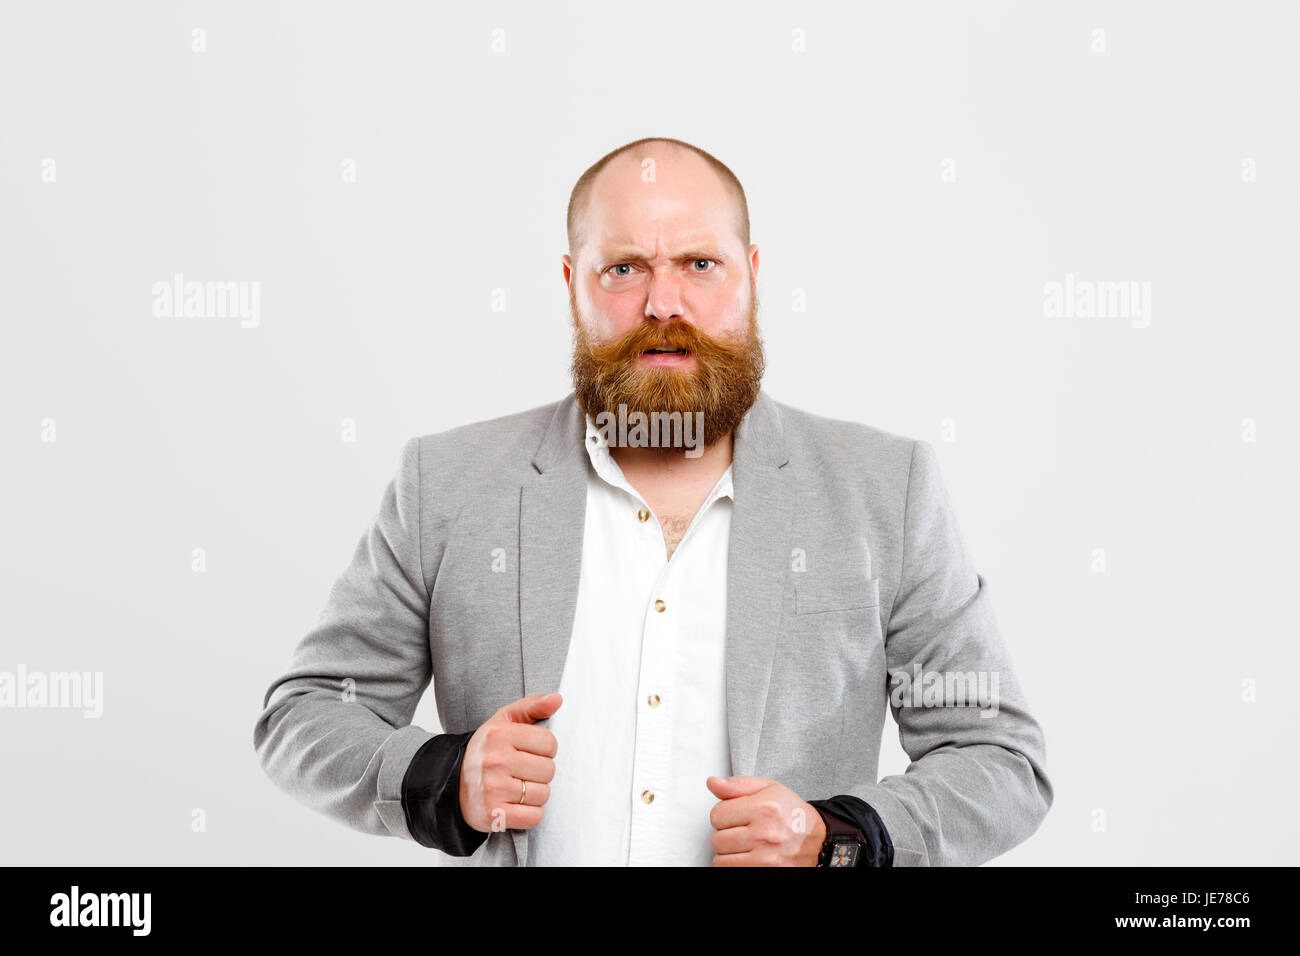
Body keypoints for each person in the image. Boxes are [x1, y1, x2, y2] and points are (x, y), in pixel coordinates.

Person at [253, 136, 1052, 866]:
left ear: (751, 276)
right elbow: (306, 713)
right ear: (574, 286)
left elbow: (1001, 761)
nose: (664, 303)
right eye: (624, 267)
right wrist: (443, 777)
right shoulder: (449, 483)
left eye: (700, 264)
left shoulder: (886, 490)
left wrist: (838, 838)